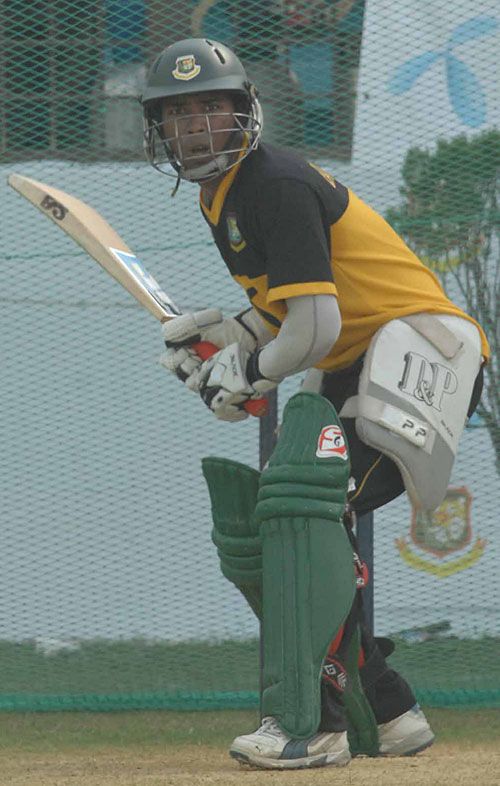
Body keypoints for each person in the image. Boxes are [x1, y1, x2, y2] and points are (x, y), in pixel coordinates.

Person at [140, 38, 489, 770]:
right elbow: (288, 313)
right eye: (179, 114)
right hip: (356, 360)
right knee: (289, 527)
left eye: (211, 106)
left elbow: (316, 328)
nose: (197, 126)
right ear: (159, 130)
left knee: (303, 518)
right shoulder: (225, 196)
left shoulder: (274, 184)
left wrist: (253, 372)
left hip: (416, 353)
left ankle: (312, 726)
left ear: (246, 111)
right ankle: (389, 711)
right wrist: (225, 345)